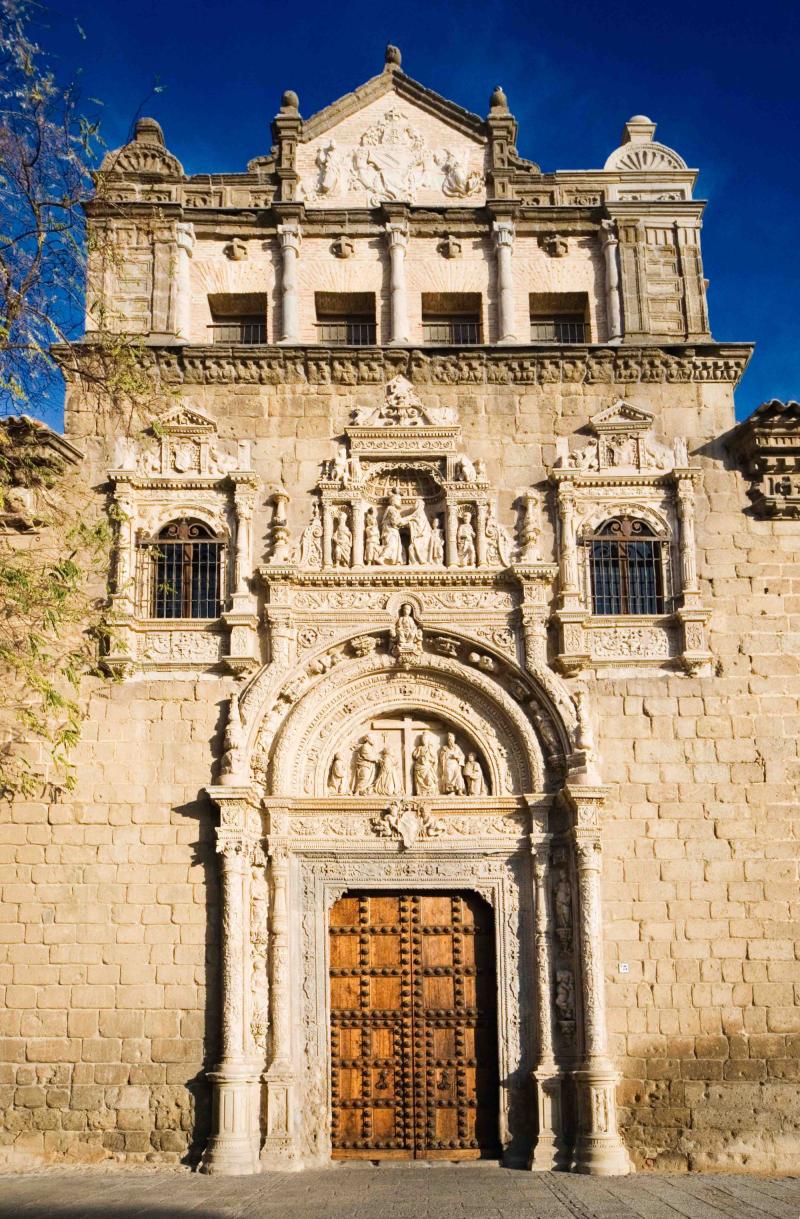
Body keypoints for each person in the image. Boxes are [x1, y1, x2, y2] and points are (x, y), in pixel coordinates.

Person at [378, 492, 405, 565]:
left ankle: (395, 561)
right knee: (392, 545)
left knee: (396, 546)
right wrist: (408, 520)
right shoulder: (392, 509)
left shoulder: (392, 509)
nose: (400, 502)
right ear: (394, 501)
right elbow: (395, 521)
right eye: (399, 500)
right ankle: (382, 558)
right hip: (390, 531)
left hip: (392, 530)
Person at [407, 498, 433, 565]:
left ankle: (421, 560)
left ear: (419, 504)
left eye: (416, 503)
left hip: (423, 535)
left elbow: (410, 519)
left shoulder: (419, 513)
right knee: (412, 547)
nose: (414, 505)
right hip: (419, 535)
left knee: (413, 546)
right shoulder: (419, 513)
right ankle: (417, 561)